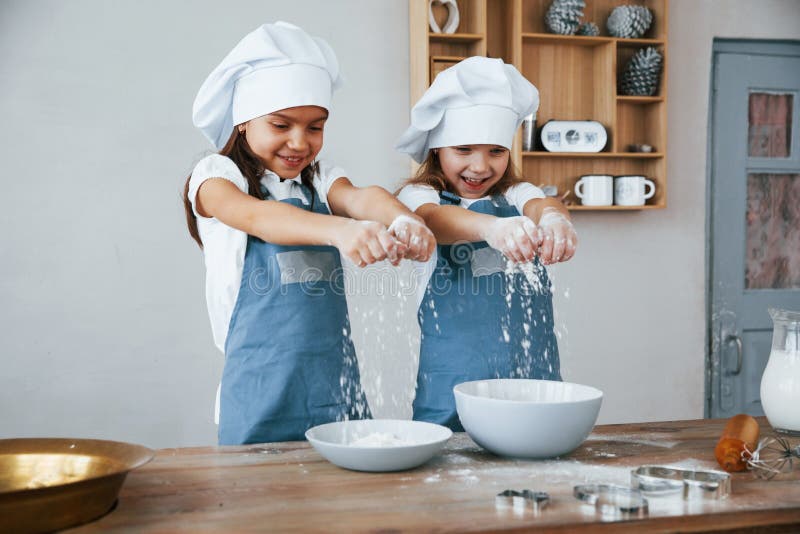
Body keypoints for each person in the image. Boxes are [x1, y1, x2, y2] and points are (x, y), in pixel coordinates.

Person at [183, 21, 435, 445]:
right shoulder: (217, 178)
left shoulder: (317, 181)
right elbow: (258, 218)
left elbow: (360, 198)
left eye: (315, 127)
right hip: (259, 386)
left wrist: (402, 219)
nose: (299, 142)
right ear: (244, 122)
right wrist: (339, 231)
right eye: (281, 125)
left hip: (334, 383)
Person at [395, 56, 578, 431]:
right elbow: (433, 222)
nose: (480, 167)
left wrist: (554, 218)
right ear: (436, 149)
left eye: (496, 151)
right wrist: (492, 230)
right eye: (463, 150)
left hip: (534, 387)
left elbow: (543, 203)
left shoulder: (515, 195)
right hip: (452, 395)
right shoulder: (419, 196)